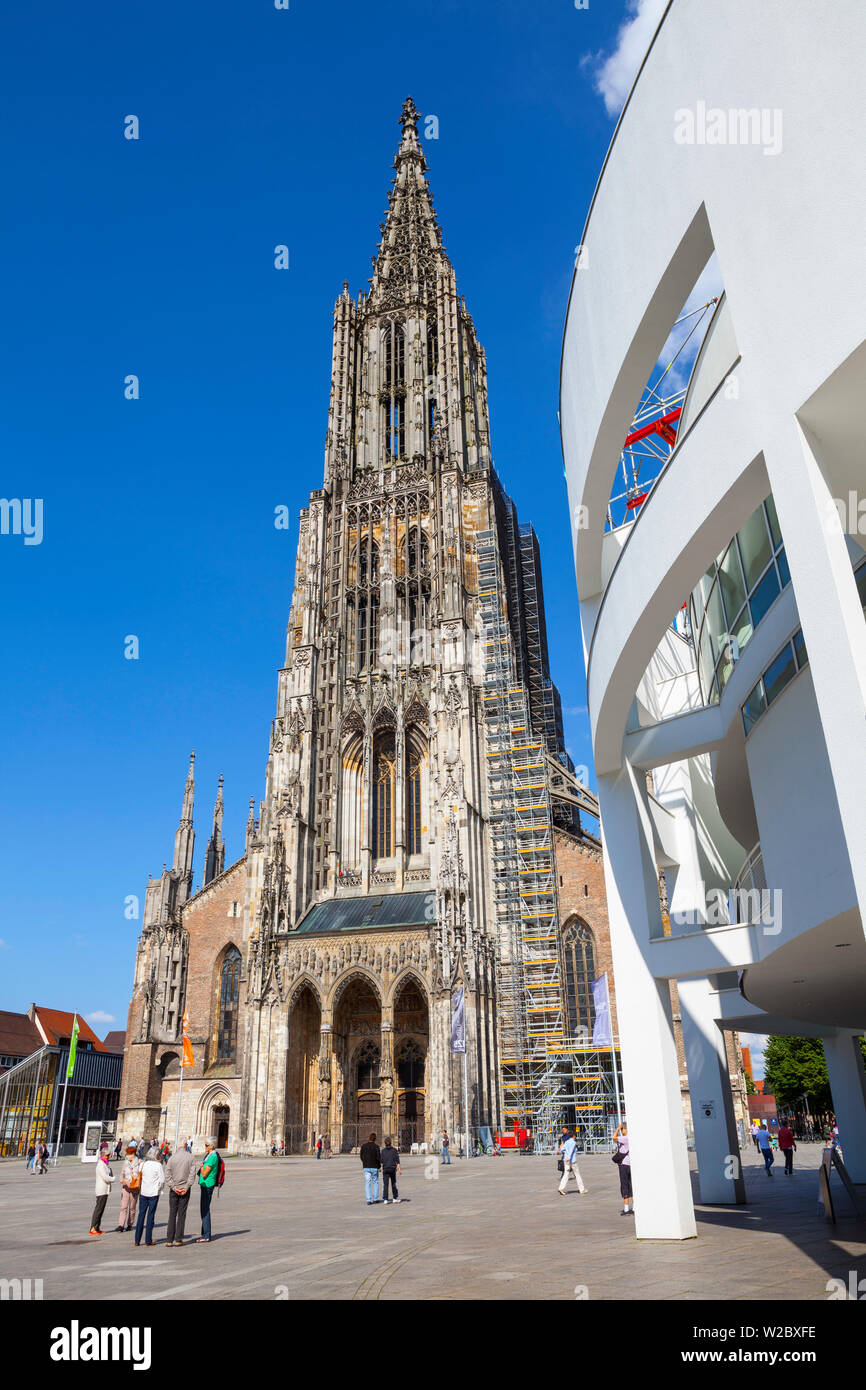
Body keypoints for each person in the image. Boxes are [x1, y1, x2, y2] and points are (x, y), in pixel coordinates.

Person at [165, 1140, 196, 1246]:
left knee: (172, 1213)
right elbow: (192, 1174)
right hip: (185, 1189)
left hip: (174, 1189)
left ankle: (169, 1240)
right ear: (185, 1146)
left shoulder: (172, 1158)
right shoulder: (190, 1157)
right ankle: (178, 1239)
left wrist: (173, 1187)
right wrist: (187, 1187)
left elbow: (167, 1174)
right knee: (182, 1214)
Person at [135, 1146, 165, 1245]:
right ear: (157, 1155)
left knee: (141, 1215)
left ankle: (137, 1240)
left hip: (143, 1192)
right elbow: (162, 1181)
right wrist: (159, 1189)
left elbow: (138, 1175)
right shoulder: (158, 1166)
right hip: (153, 1193)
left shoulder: (143, 1164)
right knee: (150, 1216)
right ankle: (148, 1240)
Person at [197, 1137, 220, 1242]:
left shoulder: (212, 1157)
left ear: (212, 1146)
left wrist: (201, 1166)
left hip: (208, 1185)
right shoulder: (209, 1155)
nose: (205, 1147)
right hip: (205, 1185)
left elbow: (205, 1173)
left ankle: (206, 1235)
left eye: (206, 1145)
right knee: (204, 1208)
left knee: (205, 1209)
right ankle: (204, 1233)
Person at [89, 1144, 115, 1235]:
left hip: (105, 1190)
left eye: (109, 1155)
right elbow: (105, 1177)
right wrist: (114, 1179)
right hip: (101, 1190)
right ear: (103, 1155)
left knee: (101, 1209)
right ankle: (93, 1228)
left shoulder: (105, 1164)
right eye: (107, 1155)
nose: (108, 1157)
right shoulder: (101, 1164)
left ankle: (97, 1227)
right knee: (98, 1209)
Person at [117, 1144, 141, 1231]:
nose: (127, 1156)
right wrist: (122, 1180)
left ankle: (130, 1224)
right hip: (126, 1187)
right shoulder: (126, 1163)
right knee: (123, 1206)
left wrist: (135, 1176)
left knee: (132, 1207)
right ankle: (121, 1225)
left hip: (134, 1188)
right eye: (127, 1154)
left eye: (129, 1154)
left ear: (133, 1154)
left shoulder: (139, 1163)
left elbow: (140, 1176)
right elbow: (122, 1174)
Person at [557, 1127, 588, 1197]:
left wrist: (566, 1154)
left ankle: (561, 1188)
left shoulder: (567, 1142)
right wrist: (568, 1157)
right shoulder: (573, 1142)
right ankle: (582, 1189)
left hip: (566, 1161)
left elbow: (562, 1149)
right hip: (572, 1161)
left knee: (566, 1174)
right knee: (577, 1175)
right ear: (573, 1136)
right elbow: (571, 1151)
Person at [613, 1123, 633, 1214]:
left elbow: (614, 1137)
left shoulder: (625, 1138)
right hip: (630, 1164)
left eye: (622, 1130)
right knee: (631, 1186)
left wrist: (617, 1128)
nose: (621, 1131)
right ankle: (634, 1207)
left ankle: (626, 1208)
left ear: (625, 1129)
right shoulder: (632, 1137)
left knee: (624, 1185)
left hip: (624, 1165)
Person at [359, 1132, 381, 1204]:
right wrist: (379, 1166)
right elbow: (378, 1158)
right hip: (374, 1167)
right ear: (375, 1139)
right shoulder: (376, 1147)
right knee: (375, 1182)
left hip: (366, 1167)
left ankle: (368, 1200)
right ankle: (375, 1199)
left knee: (367, 1183)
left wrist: (364, 1162)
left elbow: (361, 1156)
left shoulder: (364, 1146)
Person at [381, 1136, 401, 1203]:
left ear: (385, 1143)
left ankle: (385, 1199)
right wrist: (399, 1169)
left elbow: (381, 1161)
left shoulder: (383, 1151)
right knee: (393, 1183)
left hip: (386, 1169)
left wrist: (380, 1169)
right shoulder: (394, 1150)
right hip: (392, 1169)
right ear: (391, 1143)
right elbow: (397, 1161)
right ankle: (395, 1198)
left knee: (385, 1184)